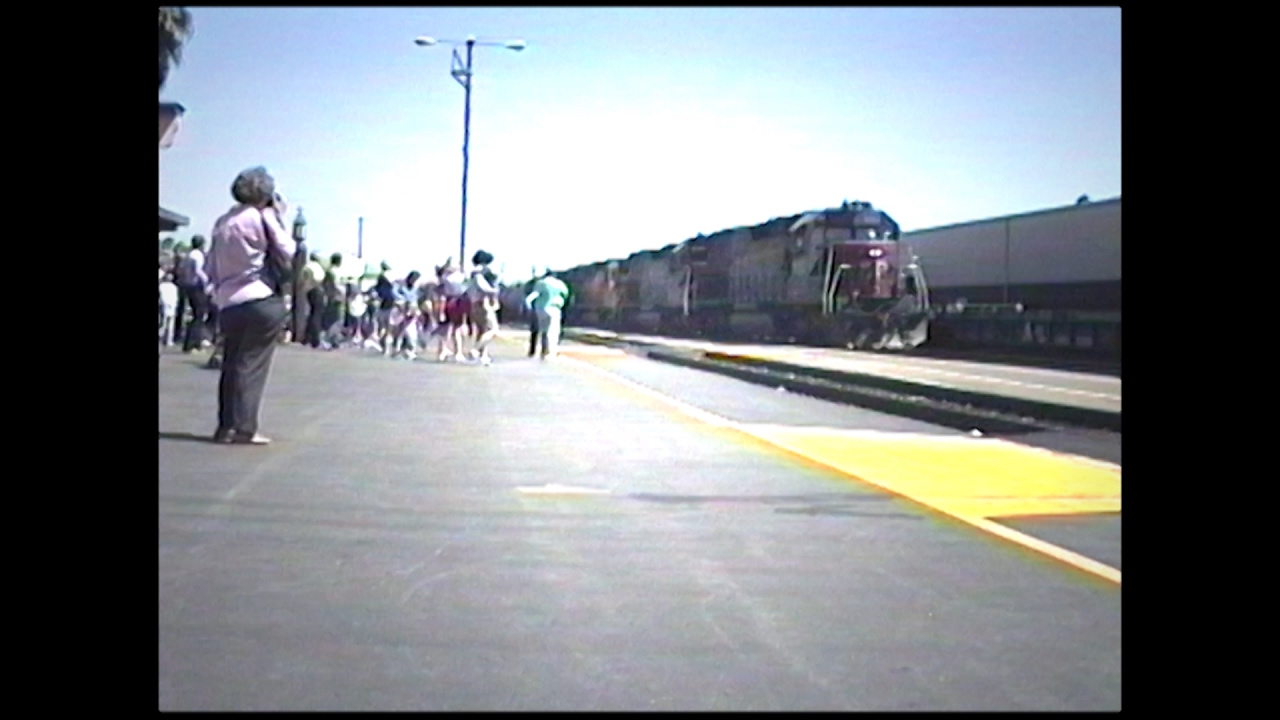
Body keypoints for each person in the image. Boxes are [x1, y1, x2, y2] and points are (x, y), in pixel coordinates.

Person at [203, 166, 296, 445]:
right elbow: (288, 250)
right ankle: (246, 427)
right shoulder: (261, 217)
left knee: (231, 363)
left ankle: (226, 426)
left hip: (228, 301)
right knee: (252, 364)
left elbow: (210, 266)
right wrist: (279, 216)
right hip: (260, 296)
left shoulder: (223, 222)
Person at [525, 268, 571, 360]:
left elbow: (532, 296)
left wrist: (529, 306)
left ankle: (544, 350)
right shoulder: (560, 284)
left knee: (544, 331)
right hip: (555, 308)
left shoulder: (541, 283)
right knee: (554, 331)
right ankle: (550, 352)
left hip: (541, 309)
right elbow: (566, 295)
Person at [176, 235, 212, 353]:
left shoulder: (188, 255)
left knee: (195, 315)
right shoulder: (198, 255)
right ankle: (194, 344)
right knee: (199, 315)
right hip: (197, 286)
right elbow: (198, 270)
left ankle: (189, 343)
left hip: (187, 286)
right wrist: (207, 281)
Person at [466, 250, 501, 365]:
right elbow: (484, 288)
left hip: (474, 303)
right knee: (492, 329)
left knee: (482, 330)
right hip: (483, 303)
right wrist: (494, 290)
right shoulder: (478, 273)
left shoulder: (473, 273)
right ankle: (475, 350)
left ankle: (483, 355)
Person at [437, 260, 470, 362]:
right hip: (455, 301)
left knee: (452, 329)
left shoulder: (447, 277)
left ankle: (450, 351)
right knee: (452, 329)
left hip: (457, 301)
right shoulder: (453, 277)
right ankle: (452, 351)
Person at [158, 273, 179, 347]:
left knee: (164, 324)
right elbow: (175, 298)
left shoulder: (162, 286)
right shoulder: (174, 287)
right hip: (170, 306)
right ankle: (168, 340)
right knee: (168, 324)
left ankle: (164, 338)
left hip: (165, 305)